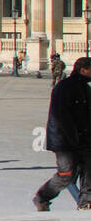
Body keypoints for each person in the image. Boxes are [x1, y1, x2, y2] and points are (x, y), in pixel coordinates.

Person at [33, 56, 91, 211]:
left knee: (88, 170)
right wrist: (72, 137)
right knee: (66, 174)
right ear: (83, 69)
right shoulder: (65, 87)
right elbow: (60, 115)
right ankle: (42, 197)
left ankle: (86, 202)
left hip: (84, 138)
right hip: (64, 140)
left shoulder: (85, 87)